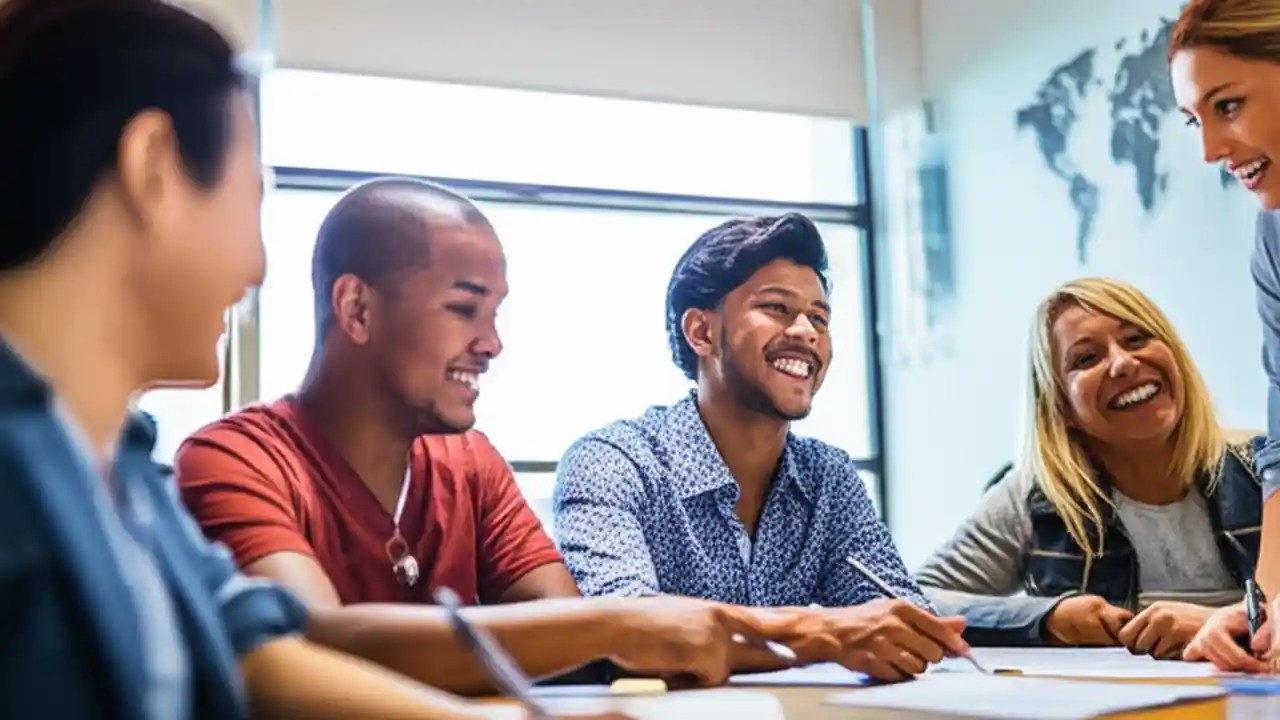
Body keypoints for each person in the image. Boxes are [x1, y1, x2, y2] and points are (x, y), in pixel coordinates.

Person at [0, 0, 620, 718]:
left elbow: (255, 649)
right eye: (250, 200)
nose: (256, 265)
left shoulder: (118, 463)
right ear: (155, 167)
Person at [175, 177, 817, 694]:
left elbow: (568, 628)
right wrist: (620, 622)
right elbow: (314, 640)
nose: (491, 344)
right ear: (356, 309)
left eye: (495, 312)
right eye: (463, 308)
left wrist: (606, 630)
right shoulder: (231, 459)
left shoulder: (469, 463)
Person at [553, 213, 971, 682]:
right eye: (776, 308)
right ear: (702, 333)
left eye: (819, 317)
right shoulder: (613, 462)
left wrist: (907, 635)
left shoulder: (827, 477)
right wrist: (818, 635)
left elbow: (899, 617)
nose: (807, 332)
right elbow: (626, 629)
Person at [914, 277, 1263, 658]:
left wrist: (1228, 622)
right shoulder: (1034, 495)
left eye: (1136, 339)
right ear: (1060, 408)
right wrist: (1046, 617)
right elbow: (916, 599)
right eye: (1086, 359)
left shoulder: (1265, 468)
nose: (1124, 364)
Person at [1169, 0, 1280, 672]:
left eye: (1229, 105)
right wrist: (1268, 607)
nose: (1210, 150)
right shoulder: (1274, 239)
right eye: (1194, 121)